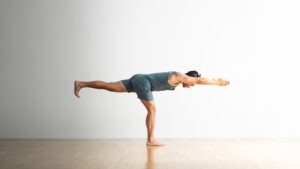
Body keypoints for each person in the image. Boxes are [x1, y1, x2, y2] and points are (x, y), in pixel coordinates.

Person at [74, 70, 230, 146]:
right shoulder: (181, 75)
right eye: (192, 84)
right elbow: (200, 80)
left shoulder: (178, 79)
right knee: (152, 110)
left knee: (109, 86)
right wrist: (217, 82)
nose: (192, 86)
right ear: (190, 78)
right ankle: (150, 140)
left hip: (139, 79)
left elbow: (197, 81)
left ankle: (82, 83)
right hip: (143, 83)